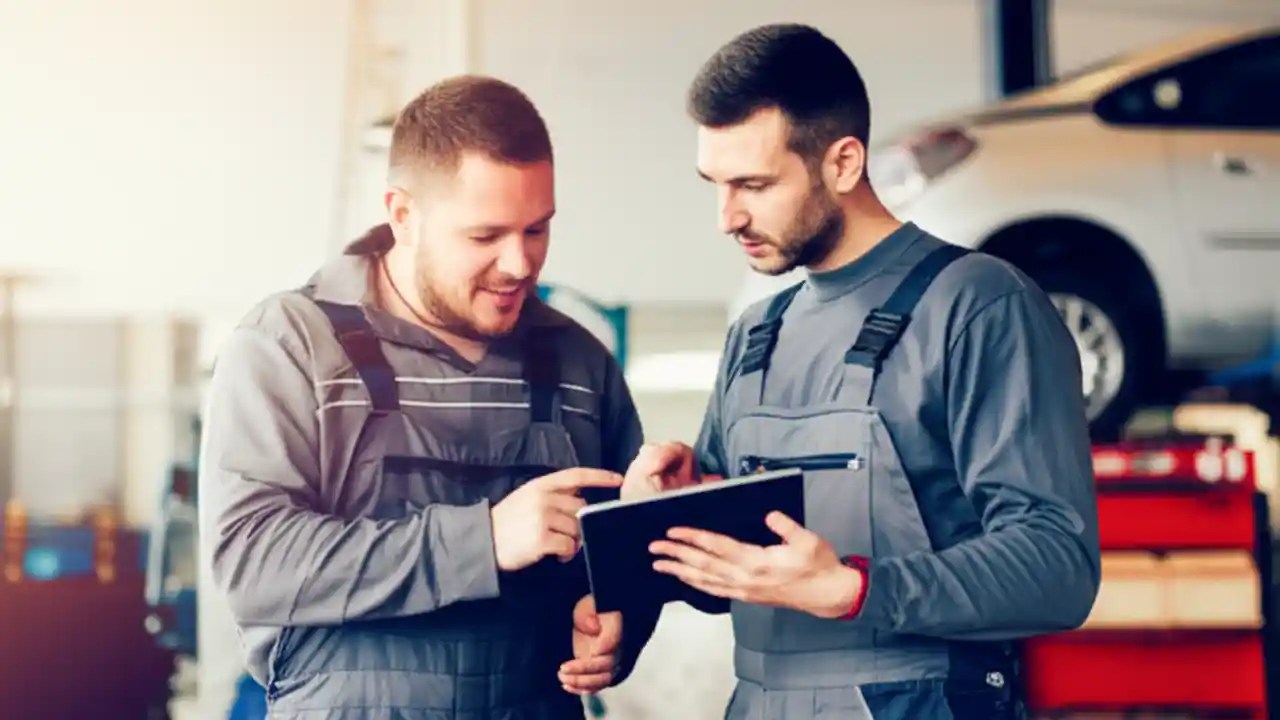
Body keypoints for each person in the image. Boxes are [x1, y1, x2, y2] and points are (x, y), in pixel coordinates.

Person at [623, 23, 1101, 719]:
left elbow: (1058, 569)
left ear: (843, 163)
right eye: (715, 185)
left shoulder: (977, 307)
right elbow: (729, 585)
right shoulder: (757, 332)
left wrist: (854, 589)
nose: (727, 216)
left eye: (753, 184)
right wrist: (663, 518)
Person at [199, 75, 659, 719]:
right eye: (485, 236)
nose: (521, 263)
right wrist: (484, 541)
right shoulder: (291, 346)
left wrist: (623, 622)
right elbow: (255, 565)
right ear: (403, 214)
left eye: (537, 229)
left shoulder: (582, 363)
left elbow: (623, 556)